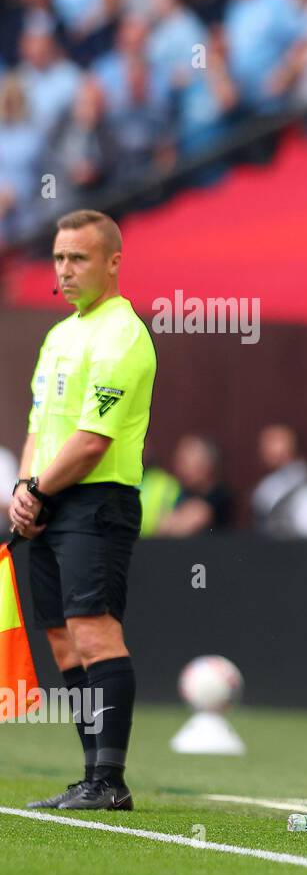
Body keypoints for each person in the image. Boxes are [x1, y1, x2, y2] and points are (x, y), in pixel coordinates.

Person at [9, 209, 156, 811]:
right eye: (59, 258)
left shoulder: (122, 335)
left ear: (113, 262)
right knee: (64, 642)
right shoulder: (59, 335)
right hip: (48, 500)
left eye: (79, 258)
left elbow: (94, 441)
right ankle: (92, 775)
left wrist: (37, 491)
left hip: (96, 500)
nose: (65, 270)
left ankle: (110, 781)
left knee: (95, 633)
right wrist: (24, 491)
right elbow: (38, 427)